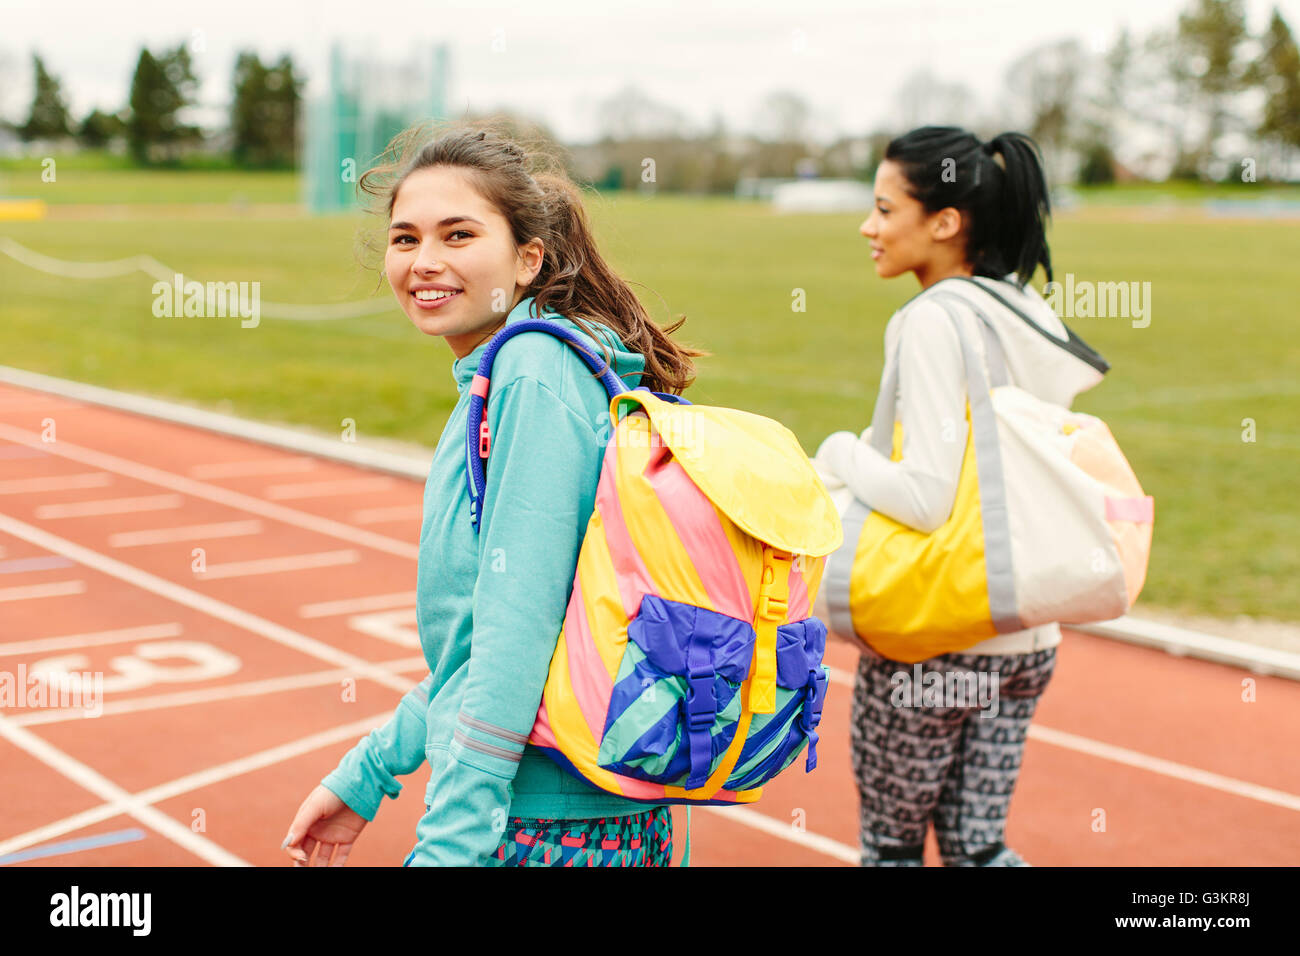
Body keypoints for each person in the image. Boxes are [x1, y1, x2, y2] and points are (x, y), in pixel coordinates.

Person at [281, 121, 703, 866]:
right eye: (405, 239)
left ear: (528, 257)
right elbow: (478, 648)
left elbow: (515, 633)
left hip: (544, 825)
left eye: (458, 235)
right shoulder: (528, 366)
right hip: (580, 811)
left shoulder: (532, 374)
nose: (425, 262)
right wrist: (370, 775)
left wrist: (450, 846)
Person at [814, 126, 1105, 867]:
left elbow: (925, 497)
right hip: (1027, 633)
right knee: (979, 848)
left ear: (944, 222)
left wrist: (841, 452)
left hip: (938, 636)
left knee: (893, 847)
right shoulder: (1029, 310)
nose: (867, 227)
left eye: (884, 210)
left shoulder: (934, 318)